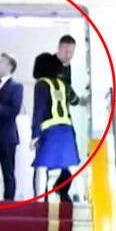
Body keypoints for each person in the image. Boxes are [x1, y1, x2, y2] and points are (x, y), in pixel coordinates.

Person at [30, 52, 84, 201]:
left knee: (42, 166)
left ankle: (39, 200)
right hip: (66, 129)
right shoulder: (63, 84)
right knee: (73, 165)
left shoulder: (41, 84)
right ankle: (83, 199)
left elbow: (39, 110)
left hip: (50, 130)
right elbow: (73, 100)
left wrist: (35, 134)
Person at [52, 34, 89, 202]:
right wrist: (78, 101)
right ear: (59, 49)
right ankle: (55, 190)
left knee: (72, 156)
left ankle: (61, 187)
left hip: (64, 118)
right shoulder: (51, 67)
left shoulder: (67, 67)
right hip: (53, 120)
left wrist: (77, 100)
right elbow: (61, 90)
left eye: (71, 52)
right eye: (66, 51)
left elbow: (67, 89)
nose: (68, 55)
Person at [0, 53, 23, 201]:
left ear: (9, 66)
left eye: (1, 62)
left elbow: (14, 109)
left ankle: (8, 204)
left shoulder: (16, 86)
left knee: (8, 173)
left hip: (6, 137)